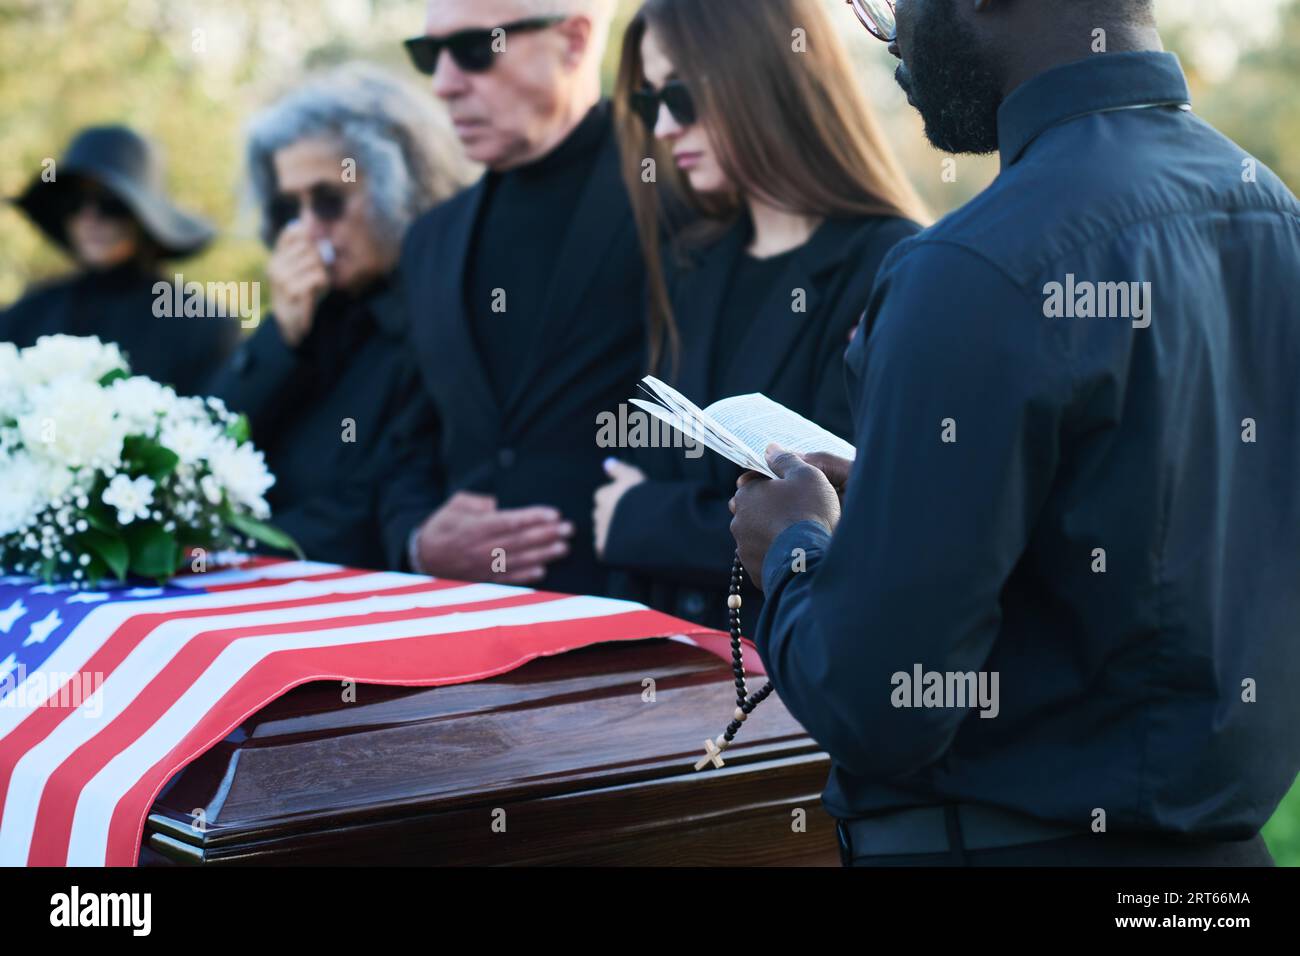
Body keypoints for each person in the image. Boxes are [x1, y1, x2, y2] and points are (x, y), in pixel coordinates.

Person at [729, 0, 1300, 866]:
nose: (888, 32)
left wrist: (792, 546)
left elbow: (881, 704)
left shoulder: (974, 267)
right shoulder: (1277, 220)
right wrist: (896, 491)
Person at [593, 0, 927, 630]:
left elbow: (848, 509)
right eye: (649, 103)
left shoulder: (892, 260)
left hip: (793, 679)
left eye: (681, 97)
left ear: (763, 80)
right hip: (665, 662)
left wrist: (640, 519)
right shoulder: (690, 261)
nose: (663, 127)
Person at [381, 0, 647, 594]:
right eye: (429, 55)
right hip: (462, 641)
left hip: (650, 639)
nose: (445, 83)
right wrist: (420, 542)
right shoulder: (431, 239)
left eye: (476, 49)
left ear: (574, 41)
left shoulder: (674, 196)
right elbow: (405, 440)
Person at [208, 66, 474, 570]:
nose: (307, 230)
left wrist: (222, 550)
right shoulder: (313, 312)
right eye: (289, 207)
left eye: (329, 200)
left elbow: (367, 513)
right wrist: (280, 339)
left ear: (405, 190)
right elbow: (209, 443)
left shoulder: (440, 312)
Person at [1, 125, 239, 394]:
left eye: (109, 203)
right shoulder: (27, 316)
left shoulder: (198, 326)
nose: (90, 219)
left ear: (143, 216)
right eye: (75, 202)